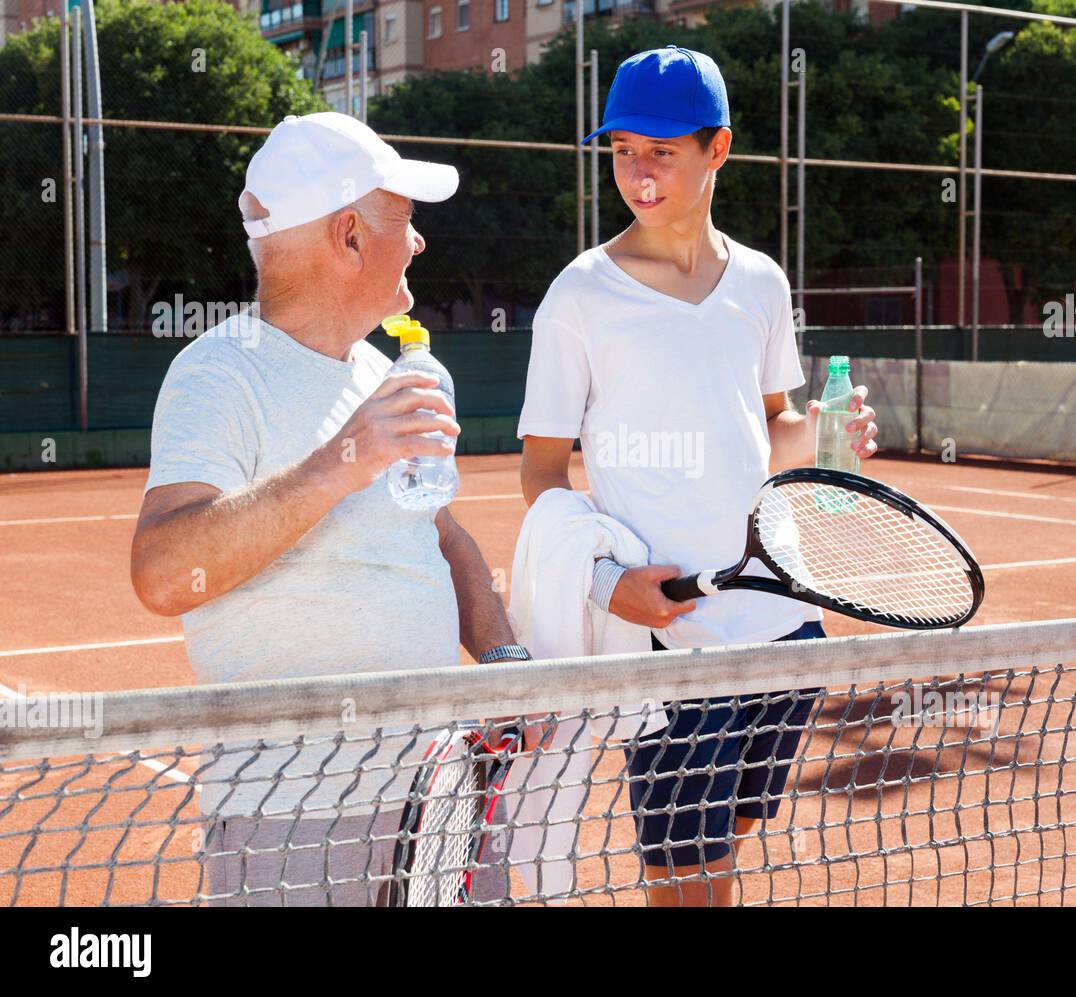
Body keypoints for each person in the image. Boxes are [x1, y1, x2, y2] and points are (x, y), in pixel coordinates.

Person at [130, 112, 532, 906]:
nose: (417, 242)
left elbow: (443, 535)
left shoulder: (386, 373)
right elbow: (163, 573)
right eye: (405, 220)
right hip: (296, 816)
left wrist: (504, 662)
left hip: (439, 798)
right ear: (349, 236)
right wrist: (342, 460)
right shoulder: (218, 373)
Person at [517, 46, 878, 906]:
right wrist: (607, 584)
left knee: (728, 842)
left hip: (787, 628)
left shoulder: (760, 281)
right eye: (623, 151)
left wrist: (825, 431)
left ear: (718, 149)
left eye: (663, 152)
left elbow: (772, 429)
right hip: (673, 639)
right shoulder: (578, 298)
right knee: (693, 881)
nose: (638, 174)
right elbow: (539, 475)